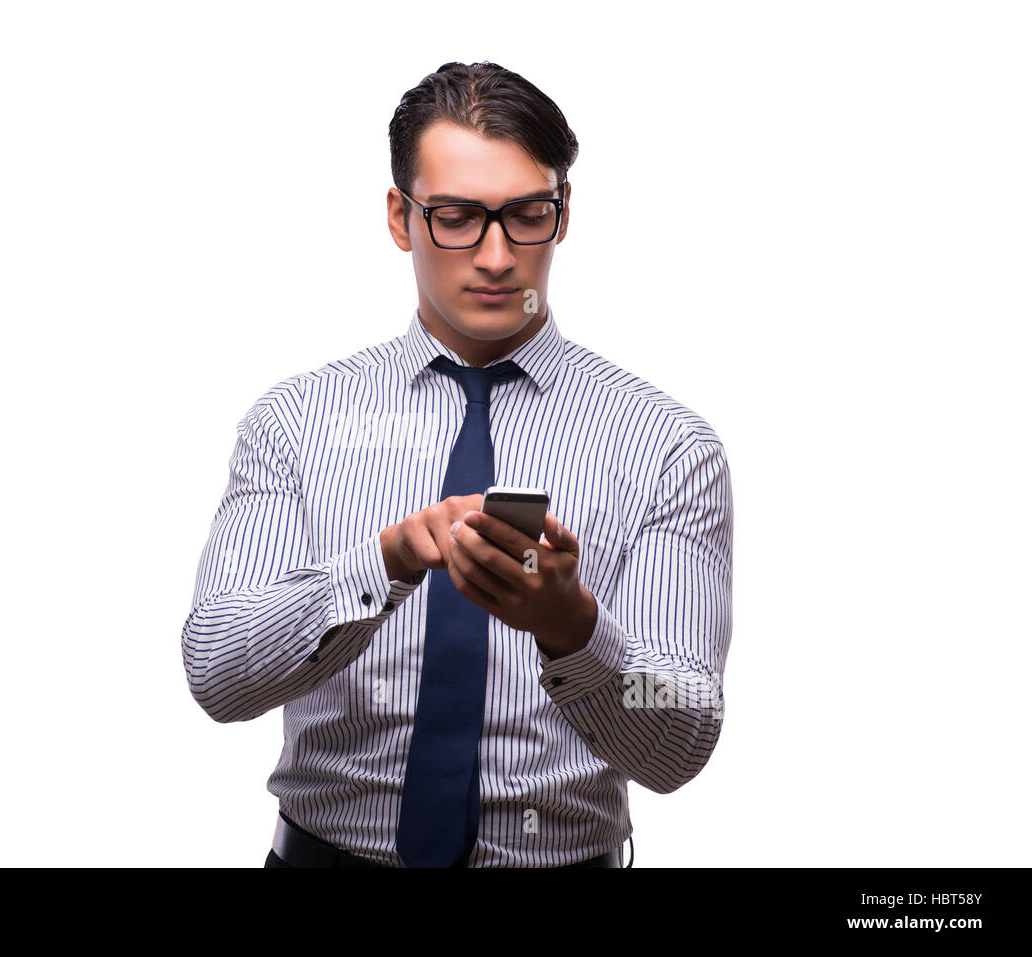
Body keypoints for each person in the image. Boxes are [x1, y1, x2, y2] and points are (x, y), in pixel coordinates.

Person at [181, 61, 733, 868]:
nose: (499, 255)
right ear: (401, 218)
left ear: (564, 211)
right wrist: (386, 560)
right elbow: (219, 673)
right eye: (458, 218)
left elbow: (681, 733)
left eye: (526, 214)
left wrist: (572, 628)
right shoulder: (296, 424)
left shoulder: (667, 448)